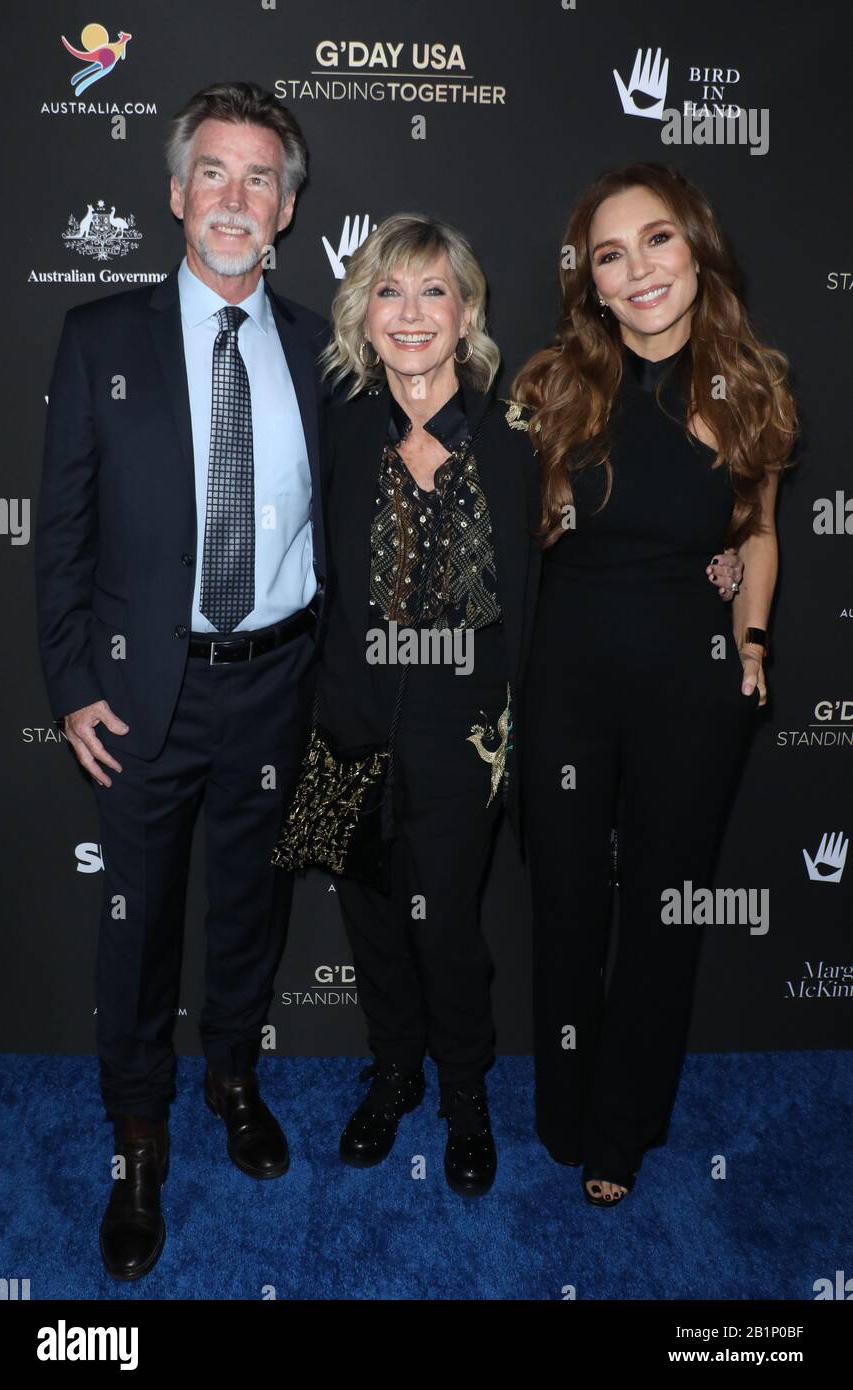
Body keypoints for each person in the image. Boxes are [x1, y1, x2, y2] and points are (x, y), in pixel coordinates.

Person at [304, 211, 739, 1197]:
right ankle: (390, 1078)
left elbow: (618, 520)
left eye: (432, 292)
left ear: (467, 313)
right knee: (371, 918)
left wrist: (713, 560)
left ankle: (464, 1100)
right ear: (361, 314)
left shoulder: (518, 432)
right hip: (344, 710)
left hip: (464, 722)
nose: (410, 313)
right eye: (388, 291)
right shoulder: (332, 423)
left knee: (445, 924)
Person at [34, 82, 330, 1279]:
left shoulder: (326, 348)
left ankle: (233, 1081)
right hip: (141, 695)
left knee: (249, 915)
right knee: (137, 928)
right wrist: (66, 682)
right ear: (174, 193)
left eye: (260, 177)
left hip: (277, 684)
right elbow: (60, 534)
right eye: (214, 171)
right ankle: (138, 1141)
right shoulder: (98, 338)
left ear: (288, 209)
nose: (234, 196)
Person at [515, 163, 797, 1206]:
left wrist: (752, 636)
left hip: (693, 683)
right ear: (587, 281)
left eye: (657, 241)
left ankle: (619, 1132)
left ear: (695, 250)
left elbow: (758, 536)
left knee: (665, 912)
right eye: (608, 253)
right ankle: (563, 1099)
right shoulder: (554, 384)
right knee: (568, 904)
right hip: (564, 685)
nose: (637, 268)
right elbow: (523, 536)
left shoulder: (748, 384)